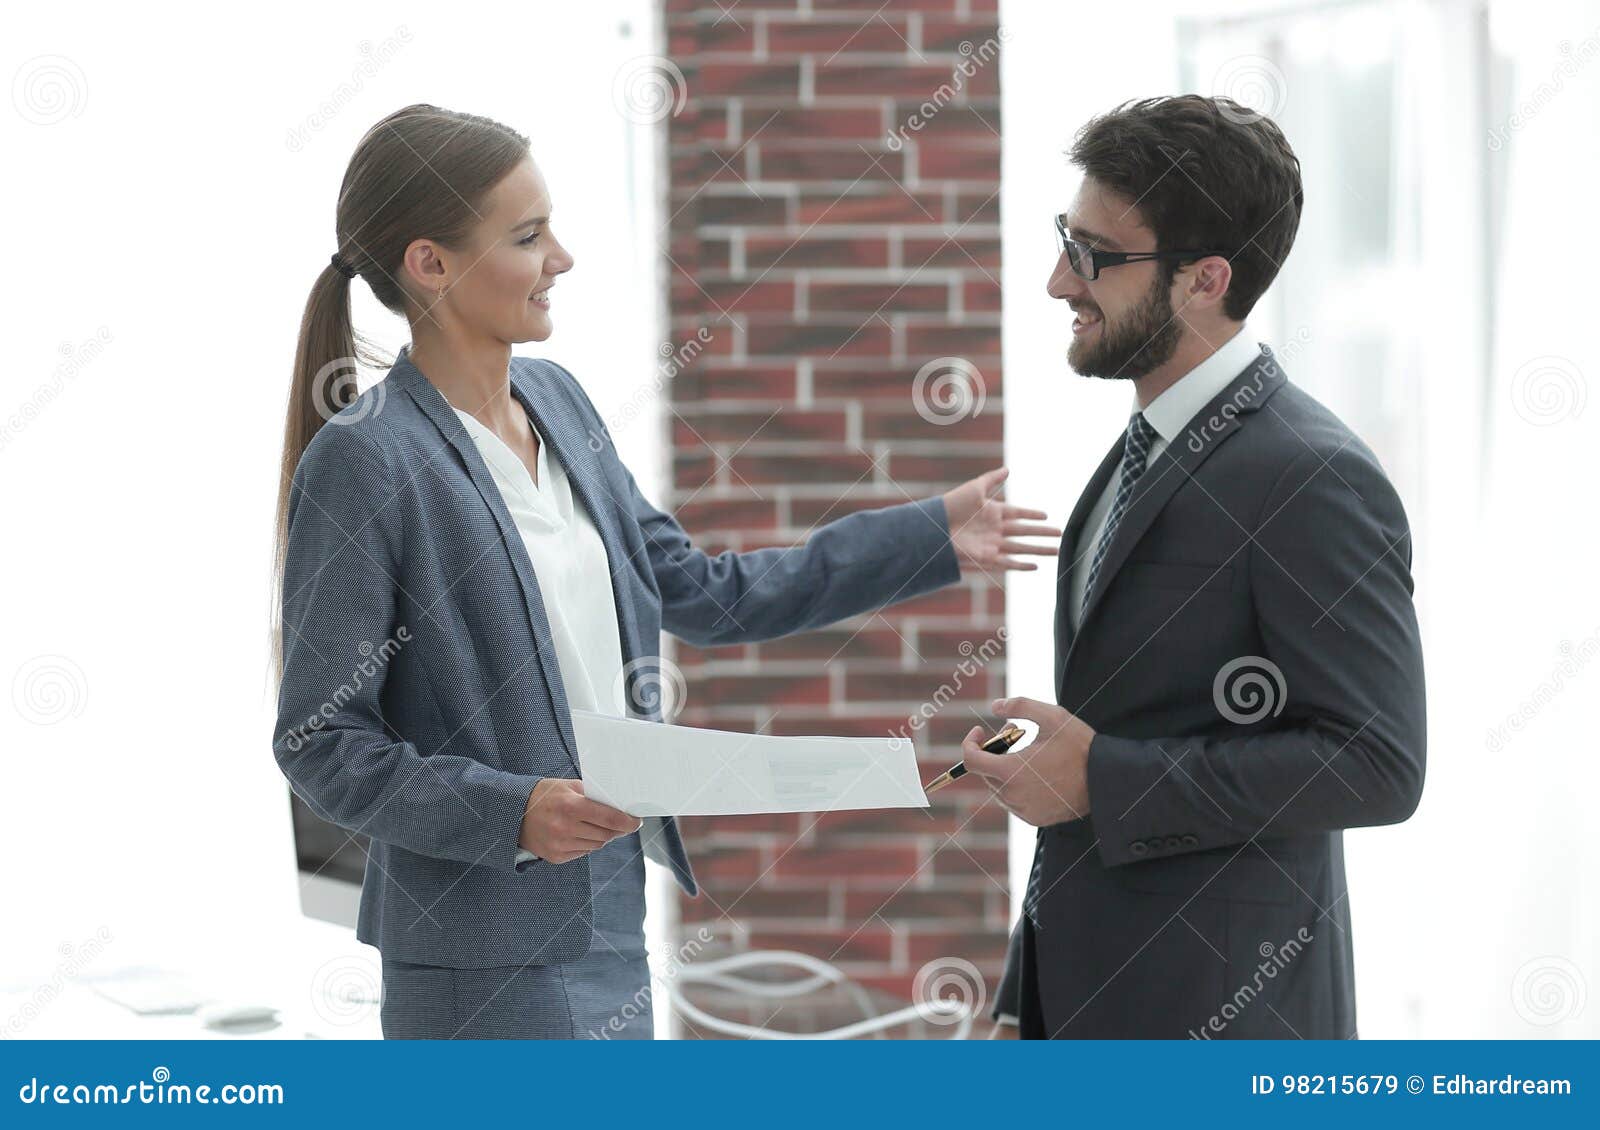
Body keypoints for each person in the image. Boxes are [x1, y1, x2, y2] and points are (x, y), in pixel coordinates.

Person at [270, 103, 1061, 1039]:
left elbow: (706, 592)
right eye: (529, 237)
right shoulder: (368, 459)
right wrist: (512, 811)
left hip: (609, 906)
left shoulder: (559, 403)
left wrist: (929, 537)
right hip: (480, 950)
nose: (561, 257)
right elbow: (319, 740)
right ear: (429, 264)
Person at [964, 95, 1425, 1040]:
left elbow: (1378, 764)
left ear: (1204, 279)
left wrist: (1104, 781)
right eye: (1066, 238)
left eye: (1093, 254)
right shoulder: (1142, 453)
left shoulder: (1312, 475)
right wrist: (1024, 1002)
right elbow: (1121, 731)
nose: (1059, 280)